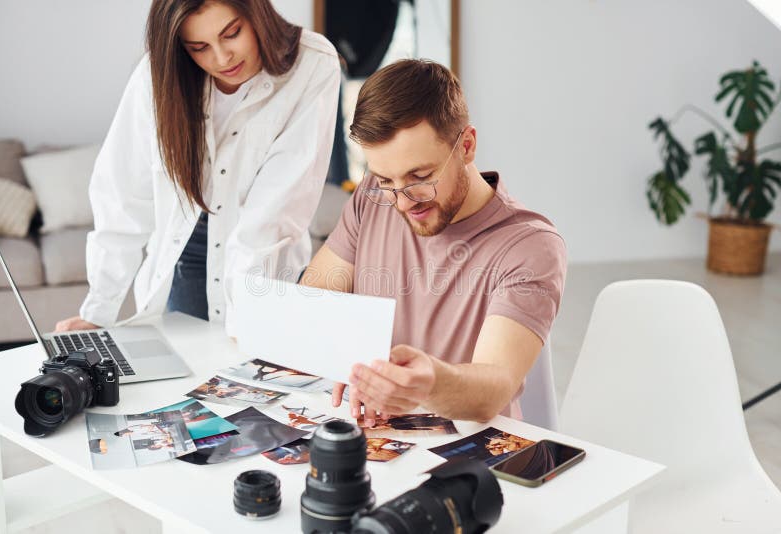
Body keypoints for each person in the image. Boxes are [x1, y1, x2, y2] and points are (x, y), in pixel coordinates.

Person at [301, 59, 566, 423]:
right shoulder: (374, 197)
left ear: (467, 145)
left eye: (420, 176)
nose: (402, 202)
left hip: (467, 445)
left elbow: (494, 388)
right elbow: (315, 295)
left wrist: (429, 384)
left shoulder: (529, 245)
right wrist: (347, 354)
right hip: (372, 432)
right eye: (385, 180)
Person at [55, 0, 340, 336]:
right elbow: (123, 197)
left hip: (262, 258)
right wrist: (98, 311)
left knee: (248, 362)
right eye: (199, 47)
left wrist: (245, 322)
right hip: (185, 250)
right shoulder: (159, 73)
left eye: (232, 33)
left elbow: (274, 211)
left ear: (256, 13)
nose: (222, 58)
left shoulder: (313, 63)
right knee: (183, 366)